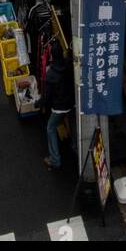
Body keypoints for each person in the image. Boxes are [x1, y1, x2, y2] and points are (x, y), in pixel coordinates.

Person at [43, 42, 75, 171]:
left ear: (51, 55)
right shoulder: (68, 64)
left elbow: (47, 96)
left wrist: (39, 103)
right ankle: (76, 146)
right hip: (71, 103)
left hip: (59, 107)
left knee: (50, 127)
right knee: (73, 123)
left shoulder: (50, 74)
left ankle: (55, 160)